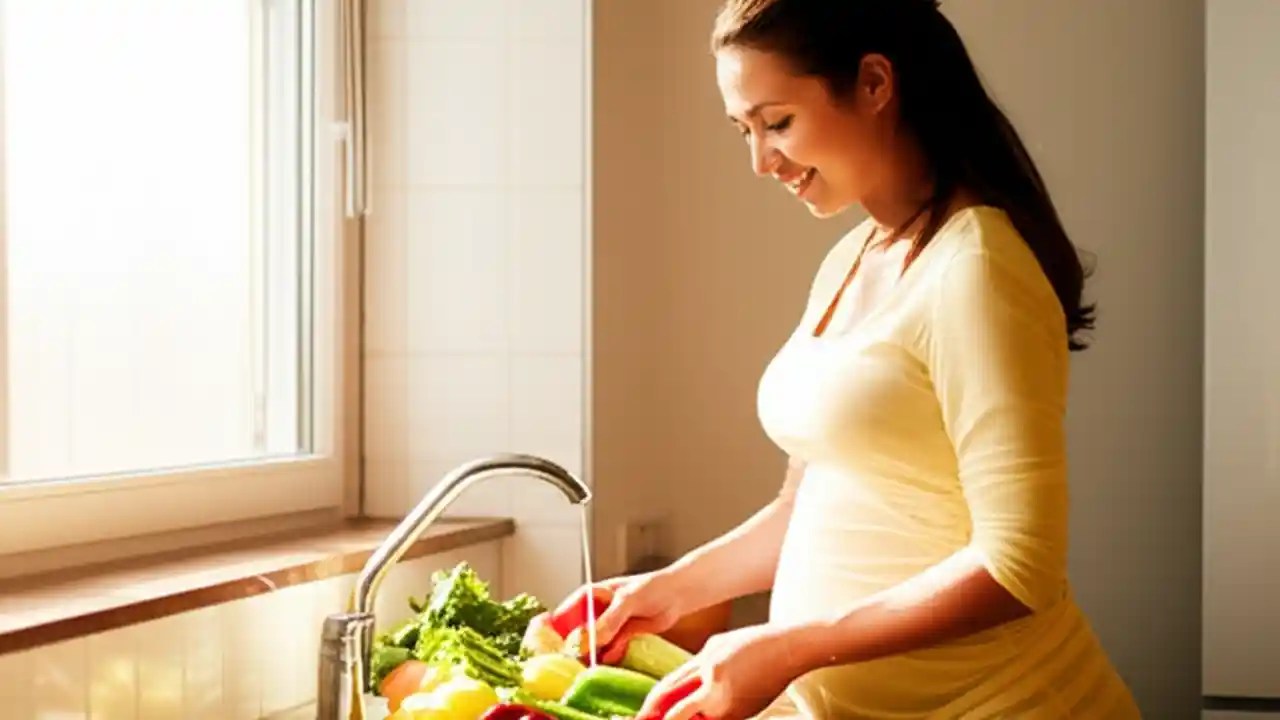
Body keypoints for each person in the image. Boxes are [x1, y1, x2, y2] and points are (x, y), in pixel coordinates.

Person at [555, 1, 1141, 717]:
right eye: (744, 130)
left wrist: (789, 646)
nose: (760, 161)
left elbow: (1019, 568)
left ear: (872, 84)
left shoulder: (977, 266)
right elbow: (806, 503)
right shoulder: (853, 258)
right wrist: (669, 589)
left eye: (777, 123)